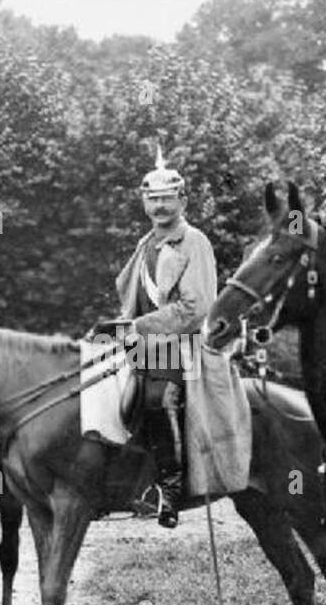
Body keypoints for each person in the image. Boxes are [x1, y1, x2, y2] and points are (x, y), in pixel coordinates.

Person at [97, 146, 250, 527]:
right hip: (146, 340)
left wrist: (138, 329)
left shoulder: (193, 241)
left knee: (156, 397)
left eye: (167, 199)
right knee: (93, 374)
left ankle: (170, 487)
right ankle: (108, 481)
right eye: (153, 200)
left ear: (182, 200)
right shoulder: (145, 245)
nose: (160, 207)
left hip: (183, 344)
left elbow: (196, 308)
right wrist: (112, 330)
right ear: (144, 203)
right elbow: (133, 307)